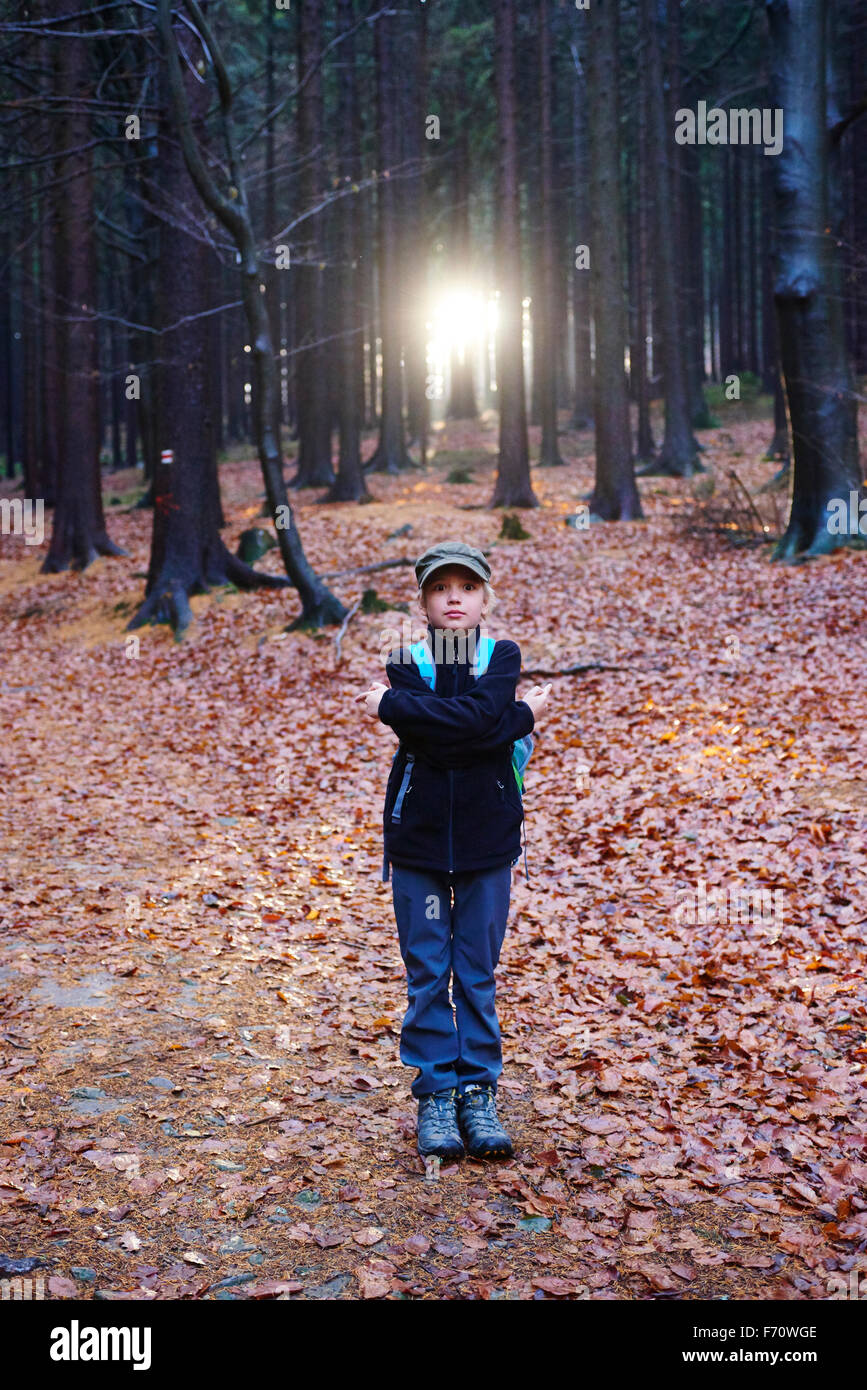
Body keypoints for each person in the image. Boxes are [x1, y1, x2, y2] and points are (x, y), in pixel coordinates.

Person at [355, 541, 551, 1161]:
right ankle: (436, 1095)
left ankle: (478, 1092)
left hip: (488, 839)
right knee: (427, 972)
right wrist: (517, 719)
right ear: (424, 602)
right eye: (442, 589)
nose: (455, 597)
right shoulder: (404, 660)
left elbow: (463, 724)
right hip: (416, 840)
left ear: (485, 597)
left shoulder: (502, 655)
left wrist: (395, 709)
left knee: (476, 971)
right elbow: (449, 740)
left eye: (467, 586)